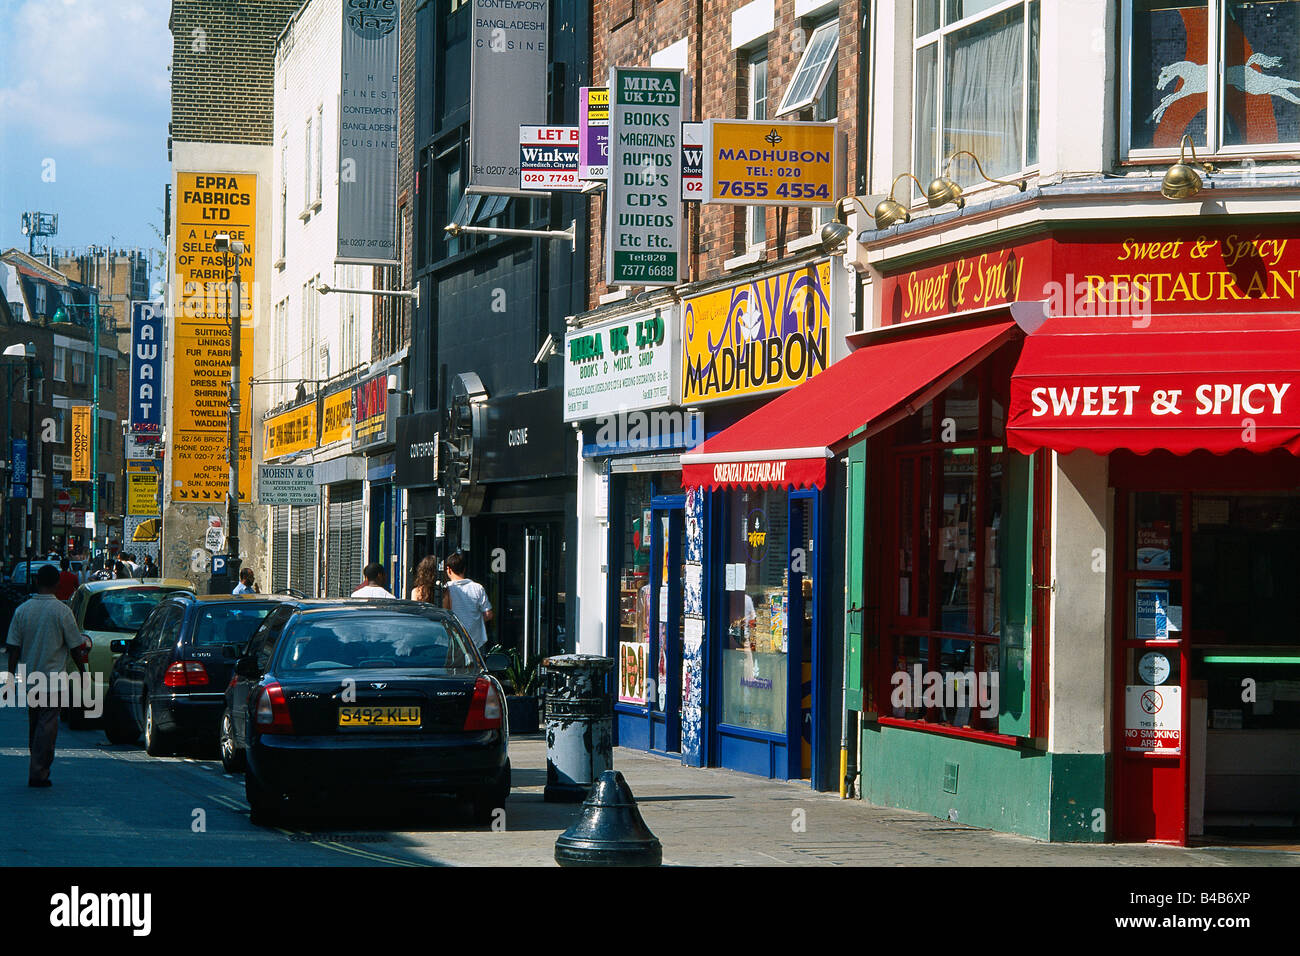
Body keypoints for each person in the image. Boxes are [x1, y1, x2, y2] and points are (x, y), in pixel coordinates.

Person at [5, 565, 89, 787]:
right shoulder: (62, 612)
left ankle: (37, 764)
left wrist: (10, 679)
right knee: (48, 727)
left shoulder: (22, 610)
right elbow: (75, 647)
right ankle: (39, 771)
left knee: (36, 724)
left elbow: (13, 648)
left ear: (36, 582)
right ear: (57, 584)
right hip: (54, 679)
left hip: (32, 679)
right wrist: (83, 672)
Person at [442, 552, 493, 651]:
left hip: (453, 640)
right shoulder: (478, 588)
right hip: (476, 642)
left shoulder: (445, 589)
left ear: (448, 569)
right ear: (464, 569)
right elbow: (489, 614)